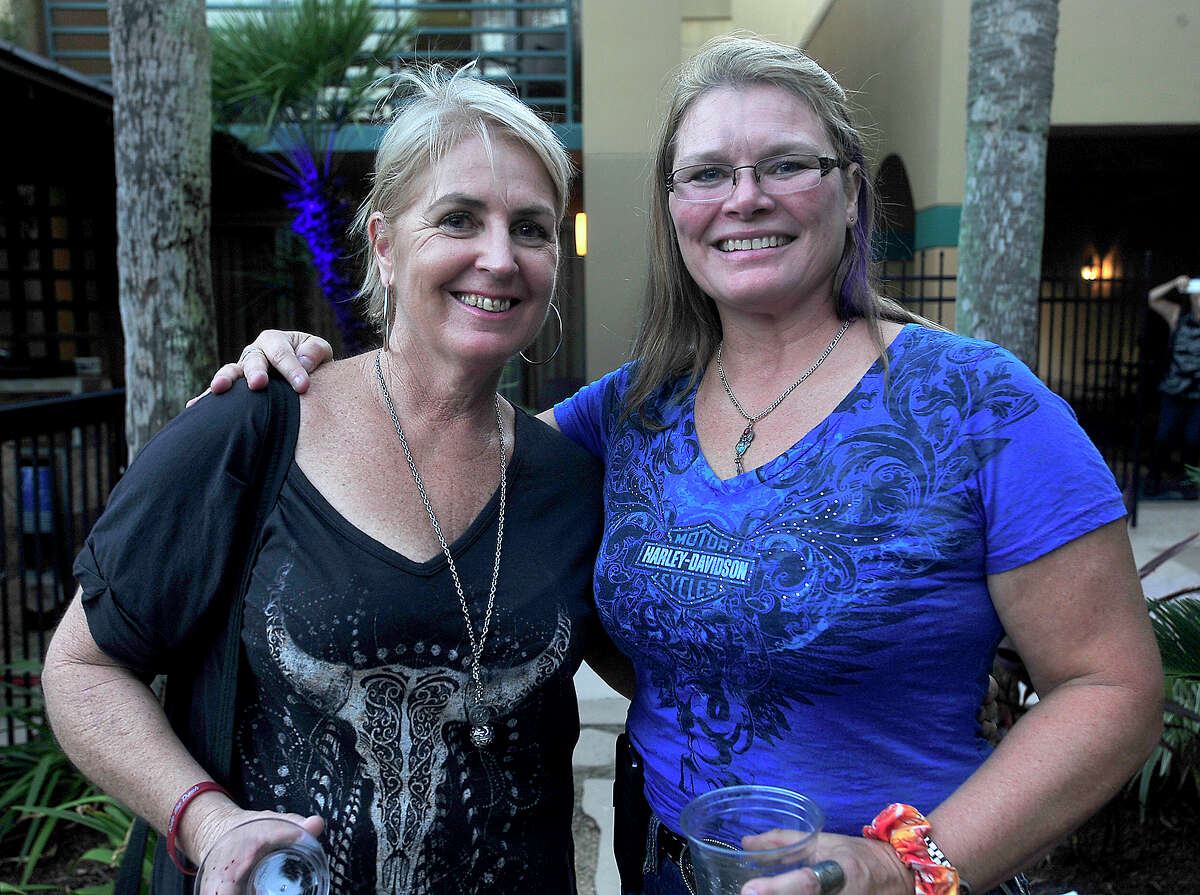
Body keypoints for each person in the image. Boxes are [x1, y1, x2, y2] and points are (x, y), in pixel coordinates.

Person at [204, 35, 1162, 895]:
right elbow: (437, 454)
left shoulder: (982, 407)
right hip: (659, 860)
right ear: (673, 210)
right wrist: (315, 376)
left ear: (851, 189)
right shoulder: (625, 411)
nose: (743, 197)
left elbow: (1111, 691)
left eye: (786, 164)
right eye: (706, 174)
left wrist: (909, 865)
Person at [42, 67, 628, 895]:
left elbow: (685, 665)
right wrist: (211, 823)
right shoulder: (253, 426)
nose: (499, 258)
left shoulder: (573, 481)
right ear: (385, 246)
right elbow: (83, 668)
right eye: (459, 218)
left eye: (530, 228)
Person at [1147, 274, 1200, 498]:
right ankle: (1153, 482)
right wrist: (1175, 283)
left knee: (1193, 441)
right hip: (1174, 391)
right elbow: (1151, 298)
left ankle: (1191, 486)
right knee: (1163, 438)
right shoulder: (1178, 316)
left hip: (1198, 395)